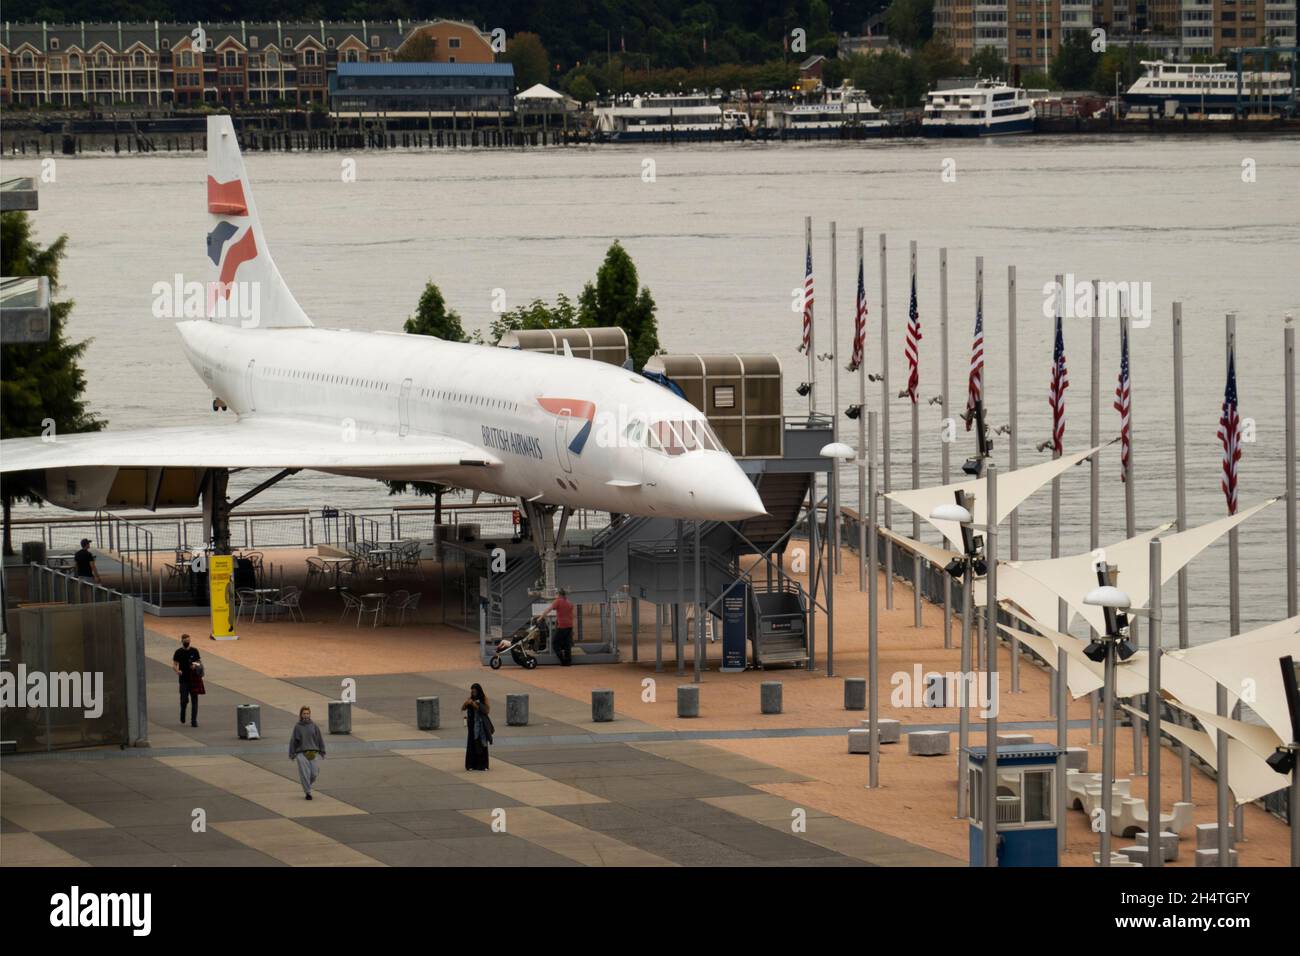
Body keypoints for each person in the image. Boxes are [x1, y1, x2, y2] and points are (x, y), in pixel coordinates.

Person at [288, 706, 327, 799]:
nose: (306, 715)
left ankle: (306, 785)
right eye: (304, 713)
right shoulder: (298, 727)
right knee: (305, 773)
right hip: (301, 753)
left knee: (314, 773)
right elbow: (293, 741)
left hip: (313, 752)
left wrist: (322, 751)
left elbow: (319, 739)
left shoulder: (314, 726)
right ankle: (308, 792)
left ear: (310, 714)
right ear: (301, 715)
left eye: (307, 713)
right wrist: (292, 753)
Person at [172, 633, 203, 727]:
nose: (187, 642)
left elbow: (199, 662)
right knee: (184, 699)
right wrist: (178, 671)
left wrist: (195, 665)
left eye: (188, 640)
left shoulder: (194, 651)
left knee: (195, 700)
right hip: (183, 680)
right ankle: (183, 711)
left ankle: (194, 720)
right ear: (182, 641)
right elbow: (174, 665)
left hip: (193, 679)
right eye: (185, 641)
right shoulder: (178, 652)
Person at [538, 587, 575, 666]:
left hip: (562, 626)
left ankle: (562, 660)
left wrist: (540, 617)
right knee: (567, 644)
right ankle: (568, 662)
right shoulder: (569, 602)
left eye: (556, 594)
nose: (556, 595)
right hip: (570, 625)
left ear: (559, 594)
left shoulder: (558, 601)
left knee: (555, 643)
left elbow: (548, 609)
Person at [461, 683, 492, 771]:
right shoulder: (470, 699)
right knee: (471, 744)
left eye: (475, 691)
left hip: (480, 726)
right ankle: (471, 764)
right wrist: (466, 703)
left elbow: (486, 711)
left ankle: (482, 765)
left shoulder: (484, 698)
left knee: (481, 744)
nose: (473, 693)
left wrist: (474, 704)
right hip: (471, 725)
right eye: (472, 691)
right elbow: (463, 708)